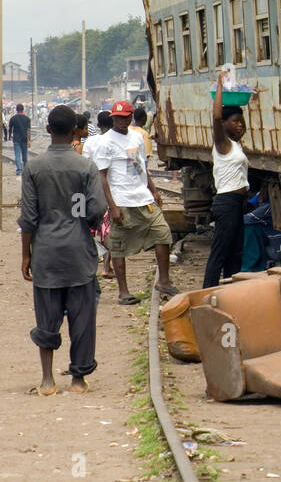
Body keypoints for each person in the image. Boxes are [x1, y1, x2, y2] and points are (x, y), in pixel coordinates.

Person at [19, 105, 107, 395]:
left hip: (45, 251)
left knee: (47, 316)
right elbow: (92, 210)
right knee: (82, 316)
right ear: (75, 131)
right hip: (78, 250)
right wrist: (83, 224)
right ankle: (79, 380)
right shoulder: (85, 167)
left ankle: (46, 380)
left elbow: (29, 217)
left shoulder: (34, 168)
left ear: (47, 129)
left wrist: (26, 255)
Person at [93, 100, 178, 304]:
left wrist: (153, 189)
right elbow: (102, 176)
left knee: (162, 233)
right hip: (121, 200)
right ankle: (123, 292)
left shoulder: (137, 138)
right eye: (117, 118)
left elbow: (140, 166)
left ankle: (164, 281)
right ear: (113, 118)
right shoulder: (105, 142)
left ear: (131, 118)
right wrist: (112, 206)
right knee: (118, 245)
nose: (121, 121)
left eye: (124, 118)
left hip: (143, 198)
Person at [203, 72, 250, 288]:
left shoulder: (236, 144)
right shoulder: (223, 144)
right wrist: (220, 85)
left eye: (242, 121)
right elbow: (215, 117)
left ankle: (232, 289)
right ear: (224, 123)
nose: (240, 125)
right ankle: (208, 290)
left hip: (237, 203)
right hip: (226, 202)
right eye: (236, 121)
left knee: (236, 251)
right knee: (220, 252)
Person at [83, 112, 115, 278]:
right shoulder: (112, 140)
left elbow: (84, 164)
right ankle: (107, 267)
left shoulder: (91, 141)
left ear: (98, 123)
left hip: (91, 190)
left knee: (91, 230)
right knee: (108, 229)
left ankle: (90, 265)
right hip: (110, 191)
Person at [8, 103, 31, 176]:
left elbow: (10, 129)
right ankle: (26, 170)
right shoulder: (27, 119)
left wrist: (9, 137)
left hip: (16, 139)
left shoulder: (13, 118)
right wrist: (29, 140)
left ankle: (19, 170)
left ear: (16, 110)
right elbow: (29, 130)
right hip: (24, 139)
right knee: (25, 155)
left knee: (17, 155)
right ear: (23, 110)